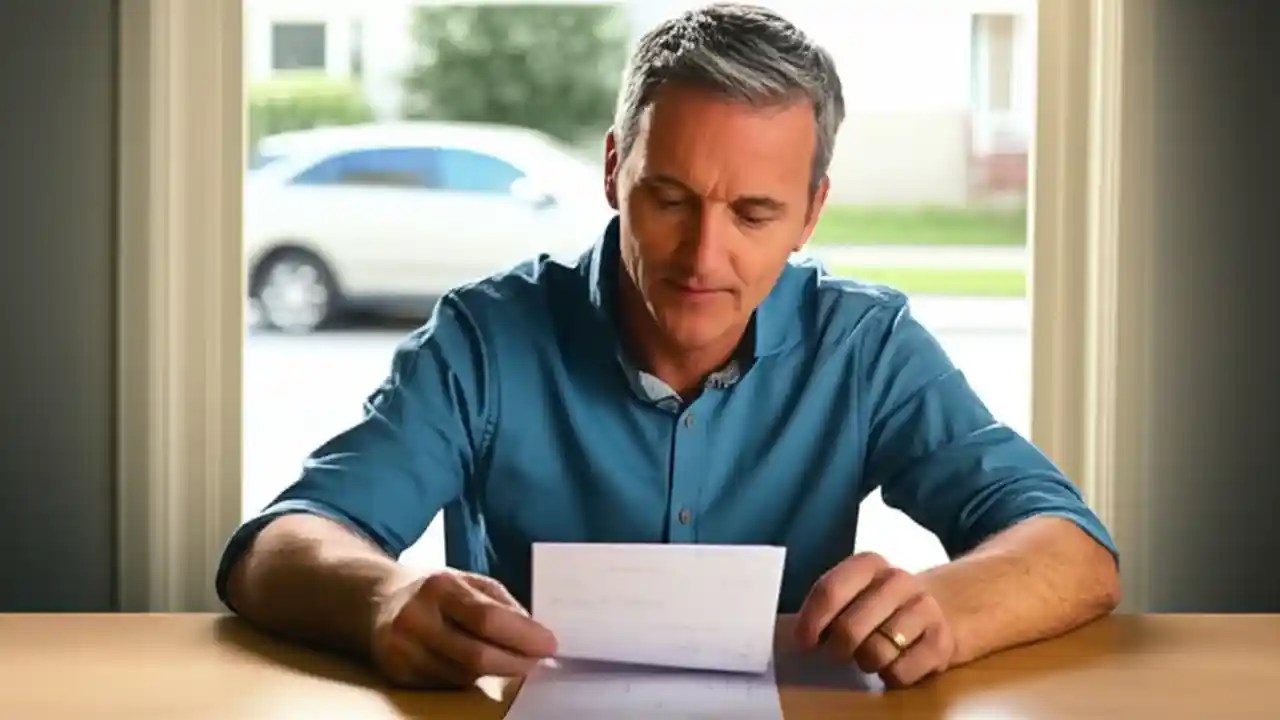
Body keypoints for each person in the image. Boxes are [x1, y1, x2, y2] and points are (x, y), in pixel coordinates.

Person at [218, 2, 1120, 691]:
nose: (703, 255)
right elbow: (279, 546)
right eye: (670, 198)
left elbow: (1074, 551)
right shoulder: (486, 338)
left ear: (810, 213)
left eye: (755, 213)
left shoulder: (865, 346)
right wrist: (384, 601)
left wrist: (949, 608)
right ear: (614, 172)